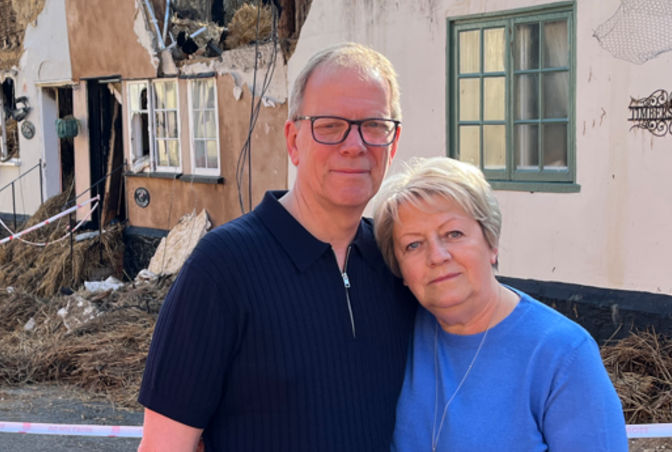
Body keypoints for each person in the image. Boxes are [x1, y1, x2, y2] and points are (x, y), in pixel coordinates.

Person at [138, 42, 417, 452]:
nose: (355, 144)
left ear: (392, 144)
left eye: (374, 125)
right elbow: (164, 448)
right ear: (293, 140)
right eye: (330, 125)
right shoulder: (222, 269)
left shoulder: (396, 264)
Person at [372, 156, 628, 452]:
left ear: (491, 243)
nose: (437, 255)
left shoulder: (563, 354)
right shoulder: (394, 335)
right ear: (400, 270)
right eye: (413, 244)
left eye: (453, 234)